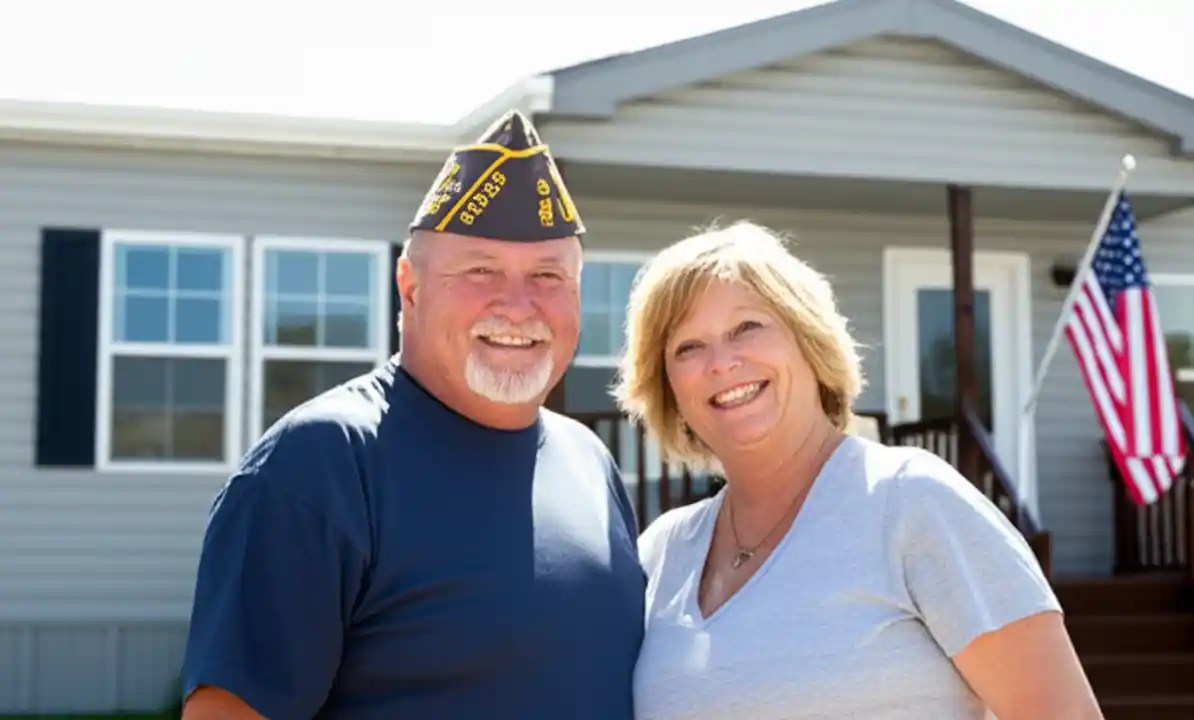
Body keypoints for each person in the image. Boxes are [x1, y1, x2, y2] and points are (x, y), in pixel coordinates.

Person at [179, 110, 646, 719]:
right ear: (411, 285)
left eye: (548, 275)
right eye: (480, 270)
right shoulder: (322, 463)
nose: (518, 305)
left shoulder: (590, 461)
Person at [614, 221, 1103, 719]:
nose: (722, 361)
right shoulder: (661, 555)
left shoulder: (912, 502)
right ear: (667, 385)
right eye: (687, 347)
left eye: (747, 327)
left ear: (808, 339)